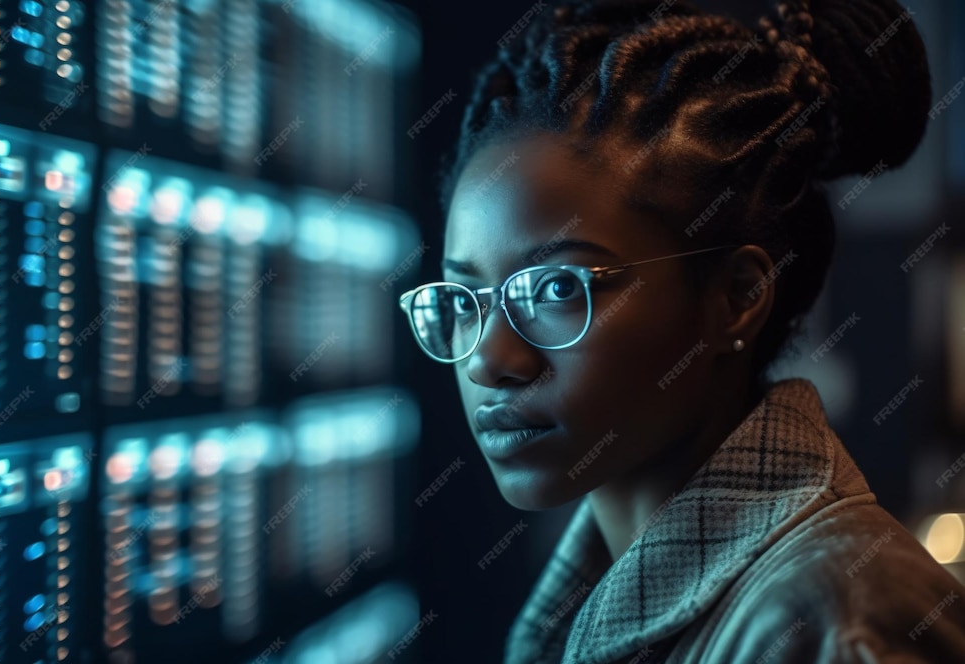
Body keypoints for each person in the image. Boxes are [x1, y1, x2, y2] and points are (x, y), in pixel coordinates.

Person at [398, 0, 965, 661]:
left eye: (557, 288)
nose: (487, 362)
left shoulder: (838, 624)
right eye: (465, 298)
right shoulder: (582, 600)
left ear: (737, 298)